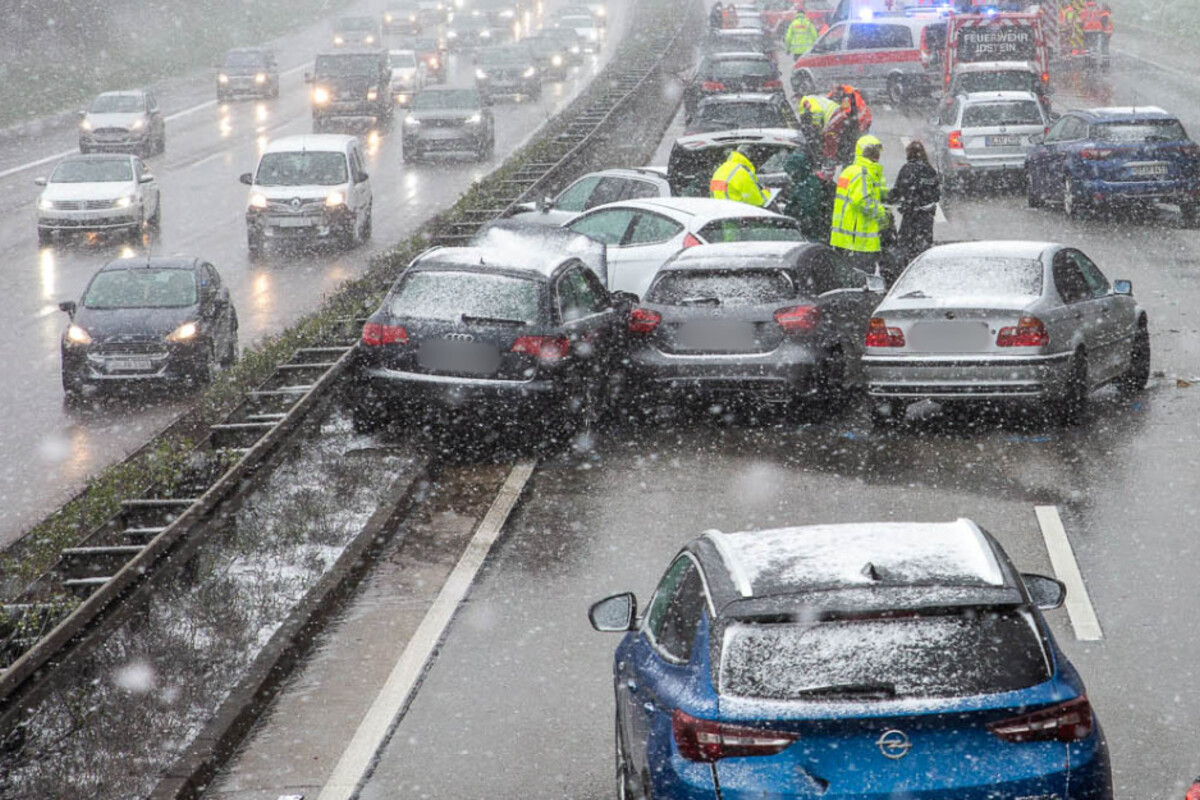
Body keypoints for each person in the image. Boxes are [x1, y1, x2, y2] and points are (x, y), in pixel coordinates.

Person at [829, 135, 890, 275]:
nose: (876, 156)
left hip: (843, 239)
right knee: (861, 279)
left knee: (846, 277)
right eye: (873, 152)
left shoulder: (850, 171)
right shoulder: (863, 173)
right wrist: (882, 214)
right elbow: (863, 201)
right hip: (859, 241)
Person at [888, 140, 941, 267]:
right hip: (926, 218)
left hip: (911, 217)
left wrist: (884, 198)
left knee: (905, 248)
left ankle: (906, 270)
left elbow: (897, 191)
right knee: (923, 249)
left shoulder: (907, 169)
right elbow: (936, 195)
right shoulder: (931, 171)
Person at [782, 147, 828, 241]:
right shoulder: (805, 182)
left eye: (792, 172)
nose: (791, 175)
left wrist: (792, 210)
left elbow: (808, 209)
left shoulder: (807, 185)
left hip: (809, 233)